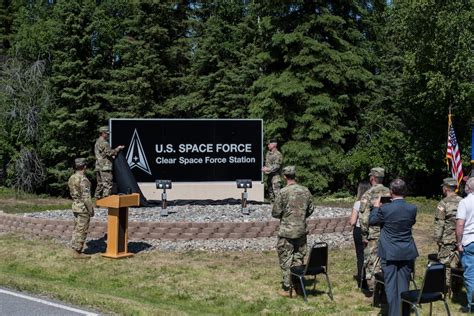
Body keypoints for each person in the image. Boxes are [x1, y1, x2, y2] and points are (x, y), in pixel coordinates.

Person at [369, 178, 418, 316]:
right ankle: (403, 312)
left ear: (391, 192)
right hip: (406, 251)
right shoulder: (412, 208)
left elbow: (372, 221)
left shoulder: (385, 209)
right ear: (405, 192)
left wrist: (376, 207)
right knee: (403, 284)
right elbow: (410, 223)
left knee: (391, 286)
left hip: (389, 252)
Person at [272, 166, 314, 297]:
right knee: (298, 259)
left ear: (285, 177)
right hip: (301, 230)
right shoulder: (305, 191)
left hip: (286, 232)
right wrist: (300, 216)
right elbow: (311, 209)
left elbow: (275, 212)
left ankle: (287, 288)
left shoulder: (283, 192)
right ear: (295, 175)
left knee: (286, 259)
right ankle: (298, 286)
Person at [359, 167, 390, 293]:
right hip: (389, 233)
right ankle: (386, 287)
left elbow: (364, 218)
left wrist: (364, 235)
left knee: (372, 261)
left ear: (372, 178)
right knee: (387, 260)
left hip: (373, 234)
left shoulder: (368, 194)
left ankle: (374, 290)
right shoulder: (390, 193)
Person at [434, 177, 462, 293]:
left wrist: (438, 238)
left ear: (445, 189)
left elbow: (439, 223)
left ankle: (445, 289)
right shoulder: (463, 201)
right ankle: (457, 287)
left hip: (447, 238)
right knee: (459, 263)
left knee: (446, 263)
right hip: (461, 238)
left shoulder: (443, 203)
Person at [68, 158, 95, 259]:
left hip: (75, 206)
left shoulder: (72, 177)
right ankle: (78, 252)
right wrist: (91, 210)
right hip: (83, 208)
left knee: (76, 228)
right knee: (82, 229)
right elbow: (86, 197)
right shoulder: (83, 179)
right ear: (84, 166)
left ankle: (74, 247)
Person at [456, 177, 474, 313]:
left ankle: (471, 305)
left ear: (469, 187)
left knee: (470, 275)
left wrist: (458, 242)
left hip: (469, 240)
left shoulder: (465, 202)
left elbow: (460, 224)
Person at [349, 181, 371, 289]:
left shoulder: (358, 203)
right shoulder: (374, 202)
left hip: (359, 230)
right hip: (371, 231)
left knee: (360, 256)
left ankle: (362, 280)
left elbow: (352, 221)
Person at [94, 126, 124, 199]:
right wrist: (118, 148)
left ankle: (97, 200)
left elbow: (103, 154)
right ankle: (106, 201)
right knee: (107, 184)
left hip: (99, 166)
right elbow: (110, 153)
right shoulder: (104, 143)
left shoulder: (98, 142)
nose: (108, 135)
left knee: (100, 184)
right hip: (105, 167)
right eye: (107, 134)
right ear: (103, 133)